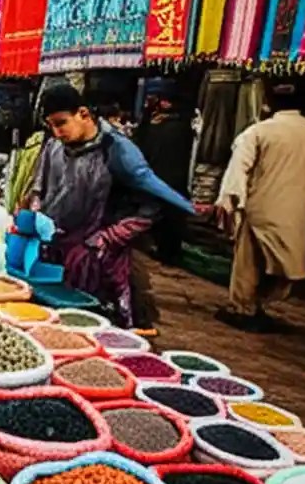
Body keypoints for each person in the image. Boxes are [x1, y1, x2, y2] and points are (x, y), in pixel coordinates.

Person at [28, 84, 194, 328]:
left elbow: (152, 207)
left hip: (100, 262)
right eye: (50, 125)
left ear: (83, 114)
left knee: (93, 326)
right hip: (53, 256)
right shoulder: (53, 147)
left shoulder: (117, 150)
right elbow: (38, 189)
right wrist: (33, 213)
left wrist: (110, 237)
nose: (56, 132)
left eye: (61, 123)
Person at [215, 83, 305, 333]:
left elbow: (238, 171)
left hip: (261, 205)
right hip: (298, 210)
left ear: (267, 103)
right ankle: (260, 302)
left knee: (248, 261)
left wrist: (231, 203)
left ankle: (243, 308)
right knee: (285, 261)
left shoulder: (258, 132)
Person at [134, 82, 195, 264]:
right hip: (168, 179)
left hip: (164, 178)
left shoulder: (170, 126)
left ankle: (167, 253)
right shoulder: (177, 124)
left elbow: (143, 146)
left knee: (166, 219)